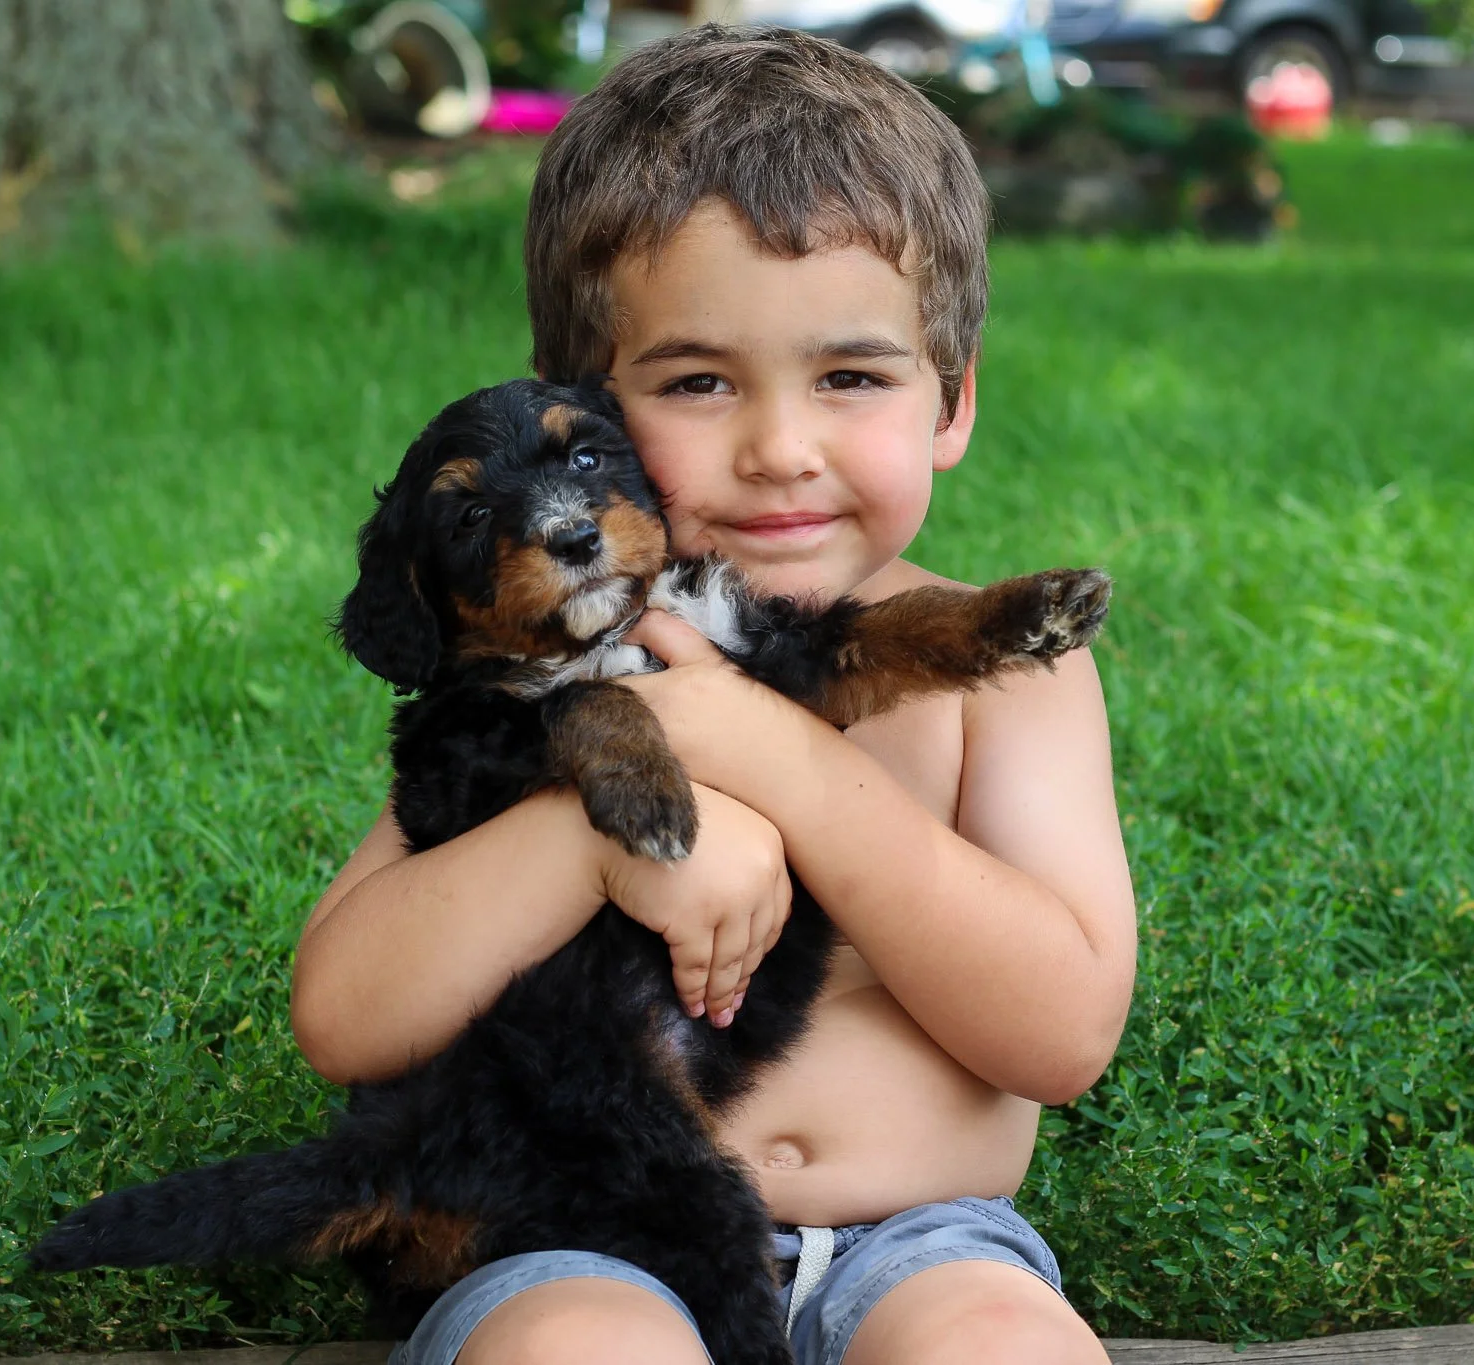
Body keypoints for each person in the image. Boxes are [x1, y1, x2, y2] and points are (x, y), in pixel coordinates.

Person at [290, 24, 1137, 1364]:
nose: (779, 450)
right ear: (579, 410)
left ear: (952, 400)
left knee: (1002, 1346)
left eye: (852, 375)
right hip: (582, 1241)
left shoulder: (1006, 682)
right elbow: (345, 1012)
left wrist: (779, 759)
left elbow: (1061, 1031)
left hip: (917, 1239)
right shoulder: (557, 672)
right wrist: (589, 837)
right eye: (696, 382)